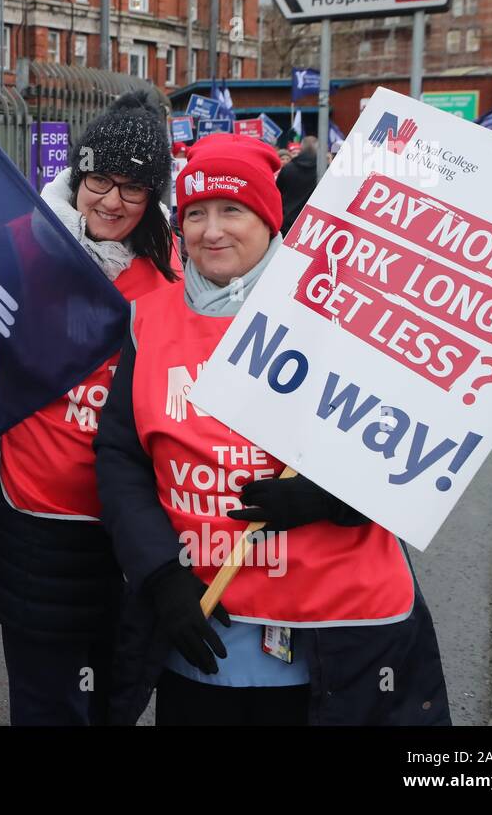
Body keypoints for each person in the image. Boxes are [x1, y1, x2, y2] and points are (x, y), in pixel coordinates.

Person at [94, 132, 450, 726]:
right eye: (197, 213)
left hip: (329, 639)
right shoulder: (149, 318)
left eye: (233, 210)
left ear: (269, 218)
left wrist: (328, 498)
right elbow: (120, 457)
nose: (212, 231)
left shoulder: (344, 312)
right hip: (201, 620)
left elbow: (407, 452)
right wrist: (159, 574)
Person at [0, 90, 181, 725]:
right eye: (99, 180)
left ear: (153, 197)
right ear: (76, 174)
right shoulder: (18, 245)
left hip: (131, 529)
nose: (112, 201)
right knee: (45, 703)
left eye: (133, 188)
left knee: (116, 697)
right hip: (36, 522)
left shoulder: (173, 268)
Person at [276, 135, 319, 235]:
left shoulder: (288, 169)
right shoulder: (325, 169)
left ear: (301, 148)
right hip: (315, 223)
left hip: (288, 220)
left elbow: (277, 192)